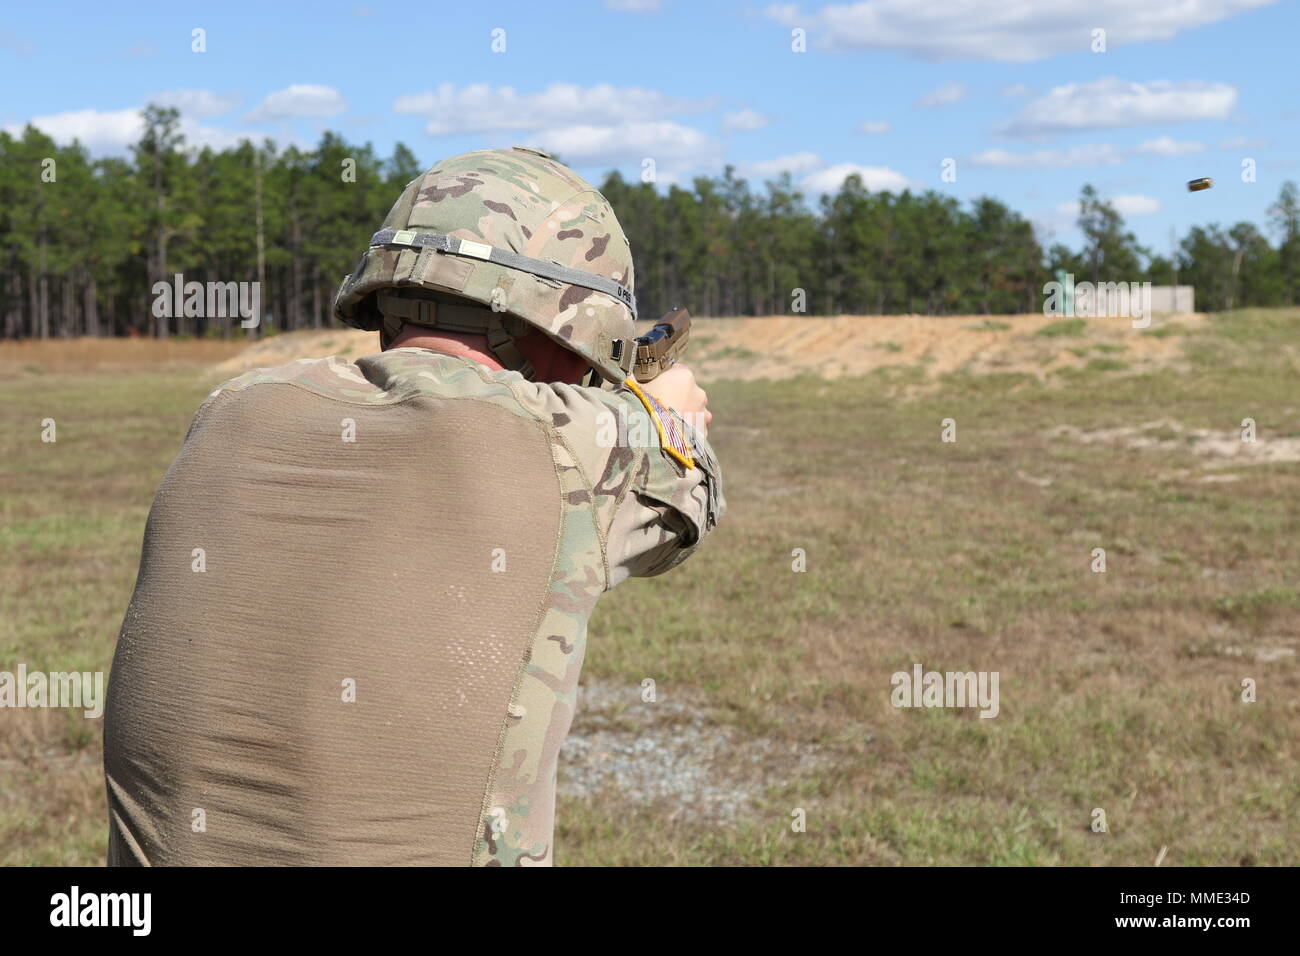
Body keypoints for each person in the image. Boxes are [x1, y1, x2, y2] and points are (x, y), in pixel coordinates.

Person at [102, 146, 724, 866]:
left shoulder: (232, 411)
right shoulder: (574, 443)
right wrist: (664, 412)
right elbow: (687, 503)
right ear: (573, 328)